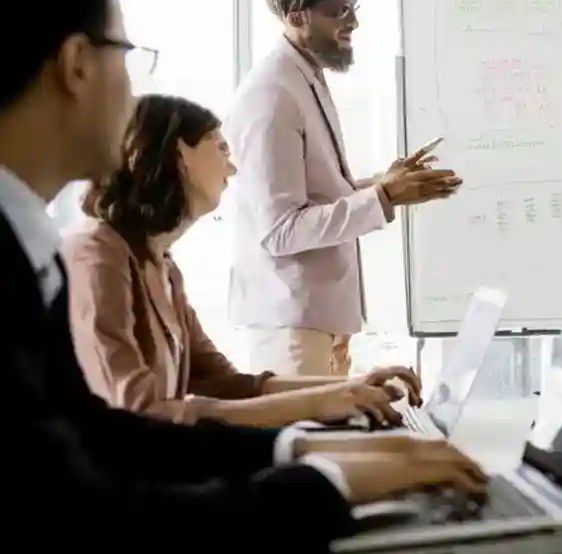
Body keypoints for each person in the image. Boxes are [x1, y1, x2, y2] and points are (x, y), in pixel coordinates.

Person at [0, 0, 484, 554]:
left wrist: (304, 449)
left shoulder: (42, 249)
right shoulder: (76, 254)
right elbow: (78, 540)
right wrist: (327, 481)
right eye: (129, 58)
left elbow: (107, 438)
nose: (134, 94)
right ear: (77, 65)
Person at [65, 94, 424, 427]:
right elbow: (141, 413)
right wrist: (326, 401)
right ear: (179, 154)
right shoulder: (97, 256)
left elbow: (226, 384)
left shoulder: (163, 266)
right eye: (220, 147)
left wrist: (353, 387)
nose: (232, 167)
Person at [224, 0, 461, 377]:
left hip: (318, 323)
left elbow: (319, 193)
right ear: (297, 17)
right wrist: (383, 197)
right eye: (338, 11)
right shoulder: (271, 95)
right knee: (310, 442)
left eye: (353, 6)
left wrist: (386, 183)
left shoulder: (303, 77)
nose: (353, 21)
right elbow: (280, 231)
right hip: (291, 329)